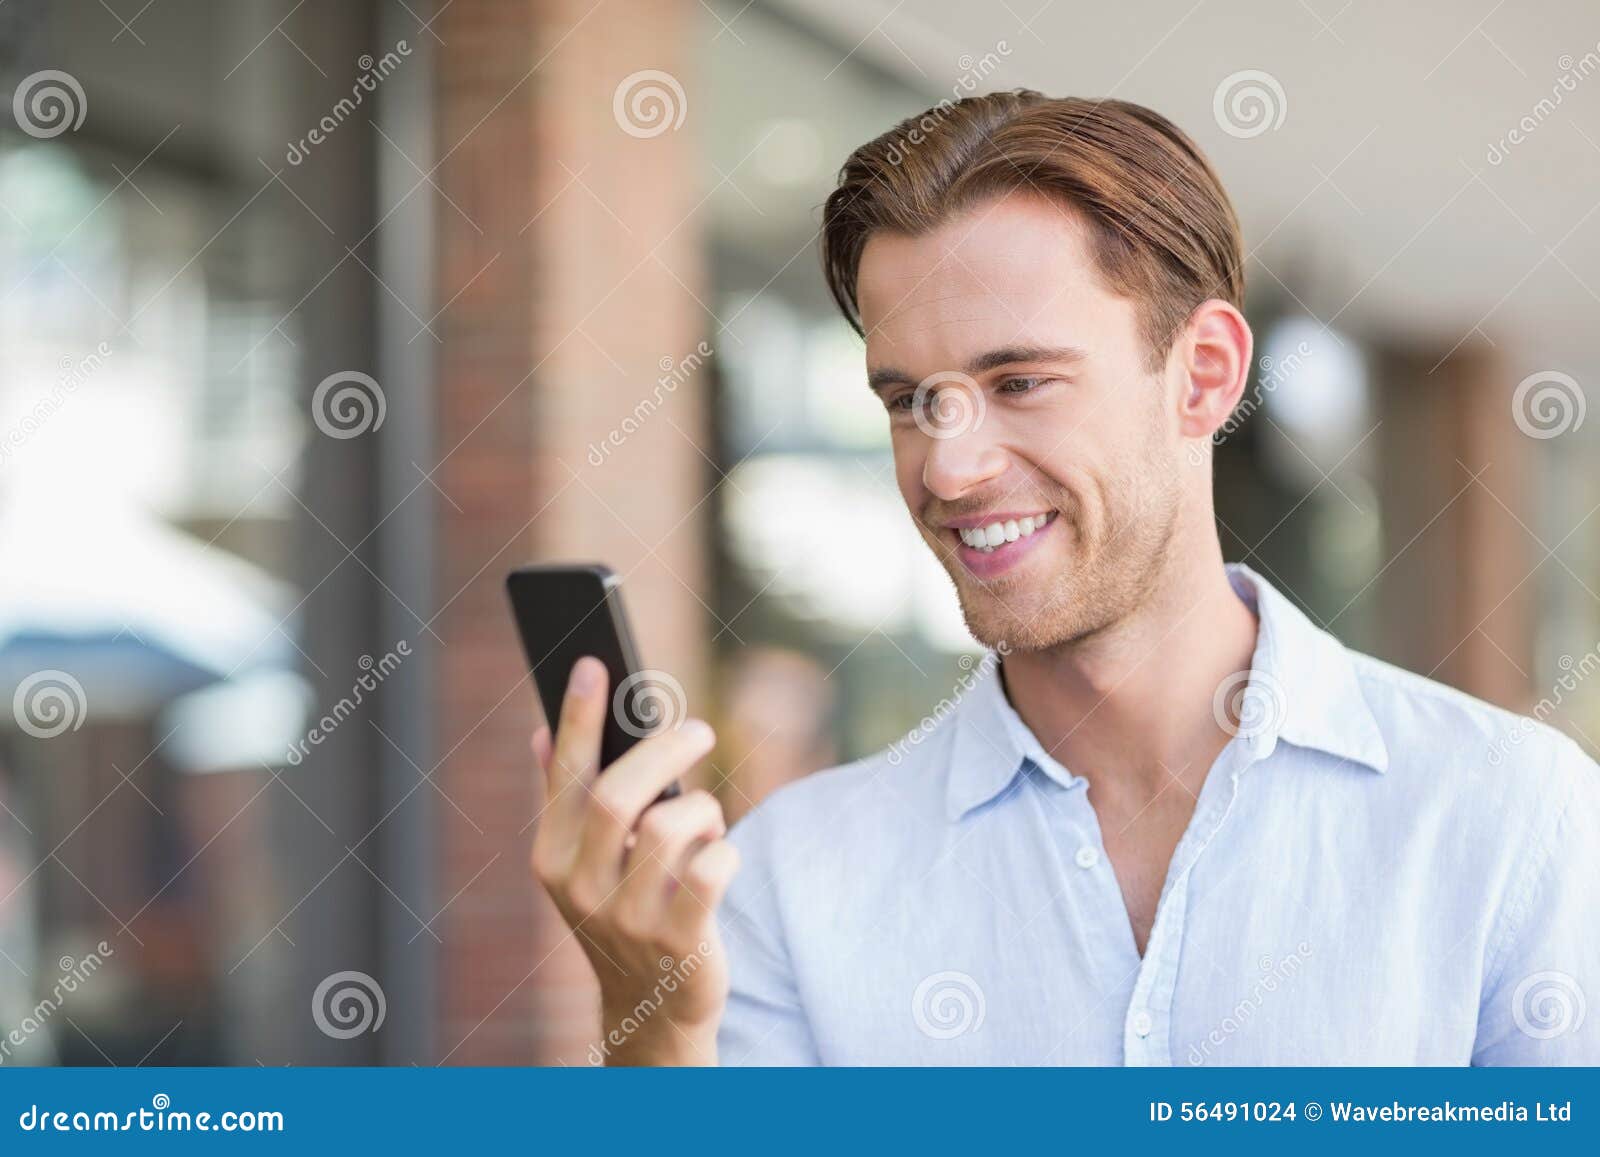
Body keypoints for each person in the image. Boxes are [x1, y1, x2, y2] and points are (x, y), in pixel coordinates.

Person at [528, 91, 1600, 1065]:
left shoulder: (1505, 816)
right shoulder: (791, 882)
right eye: (909, 400)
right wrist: (653, 1024)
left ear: (1203, 376)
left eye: (1020, 380)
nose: (947, 464)